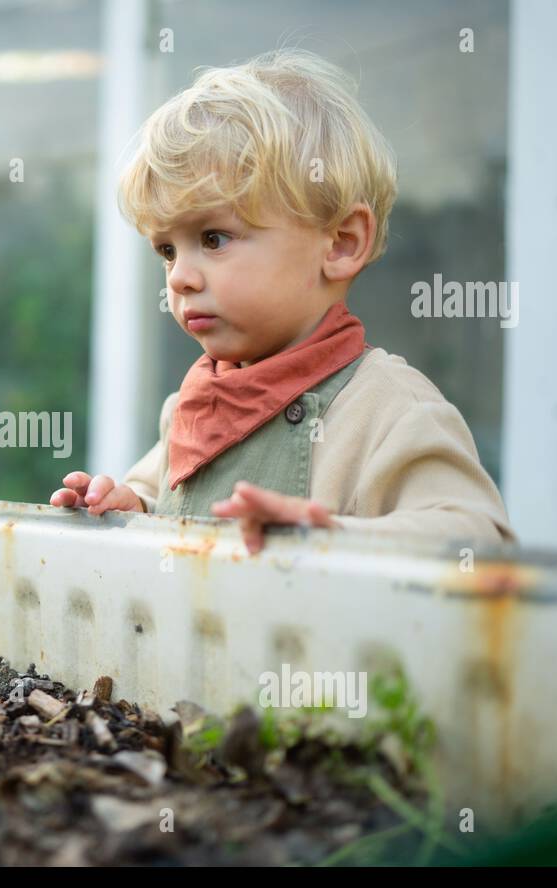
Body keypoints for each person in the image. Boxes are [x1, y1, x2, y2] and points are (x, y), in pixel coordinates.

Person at [49, 48, 514, 554]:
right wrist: (130, 509)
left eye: (213, 239)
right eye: (166, 249)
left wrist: (328, 539)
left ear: (341, 243)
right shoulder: (191, 406)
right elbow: (160, 498)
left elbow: (480, 541)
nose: (180, 276)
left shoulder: (391, 408)